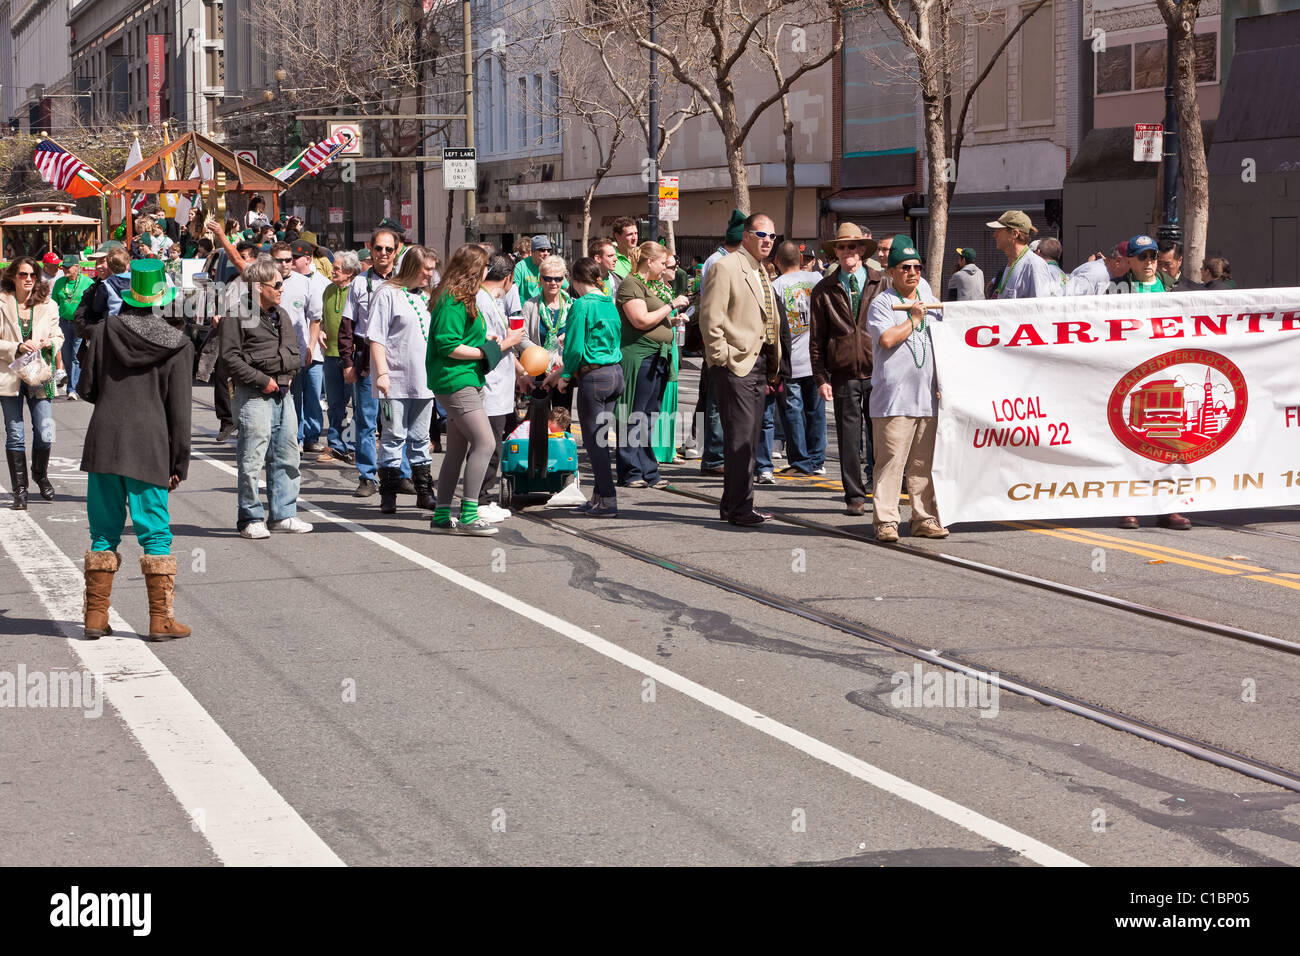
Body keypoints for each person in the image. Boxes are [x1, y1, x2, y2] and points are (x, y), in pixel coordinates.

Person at [77, 259, 192, 641]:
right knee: (155, 533)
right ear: (162, 298)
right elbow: (180, 410)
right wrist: (179, 461)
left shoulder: (105, 329)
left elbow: (88, 387)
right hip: (151, 444)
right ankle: (160, 620)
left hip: (105, 439)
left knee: (102, 533)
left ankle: (95, 616)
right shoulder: (177, 344)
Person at [426, 244, 524, 535]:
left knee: (457, 450)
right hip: (456, 379)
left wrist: (485, 338)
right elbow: (447, 345)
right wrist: (484, 352)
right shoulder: (454, 299)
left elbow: (463, 336)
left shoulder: (463, 297)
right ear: (474, 270)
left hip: (465, 378)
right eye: (483, 268)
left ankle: (442, 515)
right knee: (485, 443)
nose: (487, 273)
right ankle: (469, 514)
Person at [218, 257, 311, 539]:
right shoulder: (237, 314)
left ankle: (283, 514)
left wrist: (289, 374)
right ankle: (250, 517)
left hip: (284, 393)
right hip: (253, 394)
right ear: (259, 286)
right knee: (251, 459)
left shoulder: (280, 313)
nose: (282, 288)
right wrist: (263, 380)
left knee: (287, 455)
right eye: (277, 284)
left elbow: (292, 347)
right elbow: (230, 358)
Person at [699, 212, 780, 526]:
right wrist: (723, 357)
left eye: (772, 236)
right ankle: (739, 508)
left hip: (759, 362)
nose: (768, 241)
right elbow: (710, 318)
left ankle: (733, 505)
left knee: (748, 437)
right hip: (736, 364)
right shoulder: (726, 266)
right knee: (741, 439)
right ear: (746, 235)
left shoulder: (762, 270)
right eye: (762, 235)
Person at [865, 236, 947, 542]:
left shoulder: (925, 295)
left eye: (917, 267)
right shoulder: (883, 302)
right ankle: (886, 520)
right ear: (891, 271)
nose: (912, 272)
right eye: (905, 267)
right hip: (894, 399)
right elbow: (886, 339)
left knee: (922, 464)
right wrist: (913, 320)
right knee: (890, 463)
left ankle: (923, 516)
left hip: (926, 397)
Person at [1114, 233, 1191, 531]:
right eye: (1142, 256)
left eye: (1153, 256)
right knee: (1131, 441)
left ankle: (1168, 507)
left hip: (1168, 375)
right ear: (1129, 260)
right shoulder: (1116, 290)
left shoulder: (1174, 286)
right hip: (1132, 375)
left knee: (1168, 439)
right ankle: (1129, 505)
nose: (1149, 262)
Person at [809, 224, 883, 514]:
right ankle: (854, 496)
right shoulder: (823, 289)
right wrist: (820, 377)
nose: (847, 252)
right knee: (849, 439)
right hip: (842, 374)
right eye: (841, 247)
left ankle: (880, 489)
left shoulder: (882, 282)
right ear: (835, 252)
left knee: (880, 437)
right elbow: (816, 338)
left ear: (862, 251)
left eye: (852, 247)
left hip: (878, 371)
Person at [368, 245, 440, 515]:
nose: (431, 274)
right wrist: (382, 372)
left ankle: (424, 490)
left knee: (421, 437)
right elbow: (376, 336)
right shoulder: (387, 294)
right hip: (395, 379)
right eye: (426, 269)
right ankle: (388, 492)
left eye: (433, 269)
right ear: (412, 268)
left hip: (424, 379)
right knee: (393, 434)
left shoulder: (427, 296)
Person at [615, 241, 688, 490]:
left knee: (648, 417)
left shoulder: (651, 285)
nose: (667, 267)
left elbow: (655, 318)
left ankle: (649, 470)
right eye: (662, 262)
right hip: (639, 357)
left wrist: (671, 318)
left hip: (658, 356)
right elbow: (640, 320)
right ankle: (630, 470)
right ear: (650, 261)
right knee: (633, 415)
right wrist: (671, 305)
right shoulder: (631, 284)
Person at [339, 228, 403, 497]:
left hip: (398, 357)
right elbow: (347, 325)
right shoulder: (359, 283)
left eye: (389, 249)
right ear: (371, 249)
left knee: (398, 419)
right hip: (366, 356)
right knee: (366, 419)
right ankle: (367, 476)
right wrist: (347, 362)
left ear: (396, 251)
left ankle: (402, 473)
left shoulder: (404, 282)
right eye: (378, 249)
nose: (383, 254)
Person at [558, 257, 624, 516]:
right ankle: (598, 497)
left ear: (575, 280)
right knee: (602, 438)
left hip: (594, 377)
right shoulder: (609, 303)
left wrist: (565, 375)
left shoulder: (581, 305)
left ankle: (607, 499)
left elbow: (574, 347)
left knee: (594, 442)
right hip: (615, 373)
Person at [1, 257, 63, 509]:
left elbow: (58, 335)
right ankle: (20, 490)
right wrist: (16, 346)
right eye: (23, 274)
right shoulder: (2, 303)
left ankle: (40, 473)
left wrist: (50, 343)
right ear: (13, 276)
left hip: (39, 374)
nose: (28, 279)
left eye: (33, 275)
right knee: (15, 435)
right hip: (10, 376)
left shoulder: (48, 304)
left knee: (46, 433)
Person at [692, 209, 747, 472]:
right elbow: (713, 307)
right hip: (720, 340)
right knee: (715, 398)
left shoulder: (732, 260)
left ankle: (718, 451)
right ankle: (714, 455)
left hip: (734, 340)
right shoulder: (718, 262)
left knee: (720, 398)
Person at [765, 240, 826, 479]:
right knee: (816, 410)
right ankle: (817, 458)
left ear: (777, 262)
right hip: (816, 358)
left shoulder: (775, 286)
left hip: (790, 360)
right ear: (801, 261)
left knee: (792, 411)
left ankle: (800, 460)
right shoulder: (817, 281)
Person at [473, 254, 524, 522]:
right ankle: (478, 499)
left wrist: (521, 372)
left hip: (502, 386)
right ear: (507, 279)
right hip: (490, 387)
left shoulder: (491, 300)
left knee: (494, 445)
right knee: (488, 445)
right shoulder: (483, 301)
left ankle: (484, 496)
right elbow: (487, 347)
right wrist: (513, 339)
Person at [278, 240, 328, 451]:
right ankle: (296, 436)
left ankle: (312, 437)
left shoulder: (313, 283)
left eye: (290, 259)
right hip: (286, 352)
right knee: (293, 396)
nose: (286, 264)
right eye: (280, 260)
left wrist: (312, 344)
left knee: (314, 395)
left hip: (311, 350)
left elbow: (318, 317)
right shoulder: (271, 282)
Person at [318, 250, 360, 464]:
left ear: (350, 272)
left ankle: (352, 445)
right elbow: (323, 318)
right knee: (335, 404)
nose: (333, 271)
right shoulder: (328, 290)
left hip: (351, 357)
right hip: (330, 355)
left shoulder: (357, 291)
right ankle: (335, 445)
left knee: (357, 404)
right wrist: (322, 330)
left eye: (337, 268)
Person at [523, 254, 572, 424]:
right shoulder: (530, 305)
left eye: (558, 279)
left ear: (564, 279)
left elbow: (578, 337)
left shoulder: (572, 305)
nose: (553, 283)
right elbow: (522, 338)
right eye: (548, 278)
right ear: (540, 279)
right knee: (539, 419)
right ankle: (540, 451)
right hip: (538, 369)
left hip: (563, 368)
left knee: (562, 418)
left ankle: (561, 449)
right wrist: (543, 355)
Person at [987, 210, 1060, 299]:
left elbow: (1040, 308)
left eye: (999, 230)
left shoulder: (1034, 265)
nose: (994, 235)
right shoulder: (1014, 263)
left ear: (1014, 233)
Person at [52, 255, 93, 401]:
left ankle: (72, 388)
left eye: (68, 267)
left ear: (77, 267)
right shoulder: (59, 283)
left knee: (76, 355)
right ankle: (77, 383)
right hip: (64, 323)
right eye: (63, 267)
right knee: (67, 356)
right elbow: (52, 305)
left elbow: (93, 304)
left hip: (80, 323)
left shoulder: (88, 282)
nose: (65, 270)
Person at [512, 235, 552, 305]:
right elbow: (512, 292)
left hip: (546, 309)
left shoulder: (552, 266)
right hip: (526, 310)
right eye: (542, 250)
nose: (546, 253)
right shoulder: (520, 267)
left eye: (548, 250)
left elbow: (566, 287)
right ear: (532, 252)